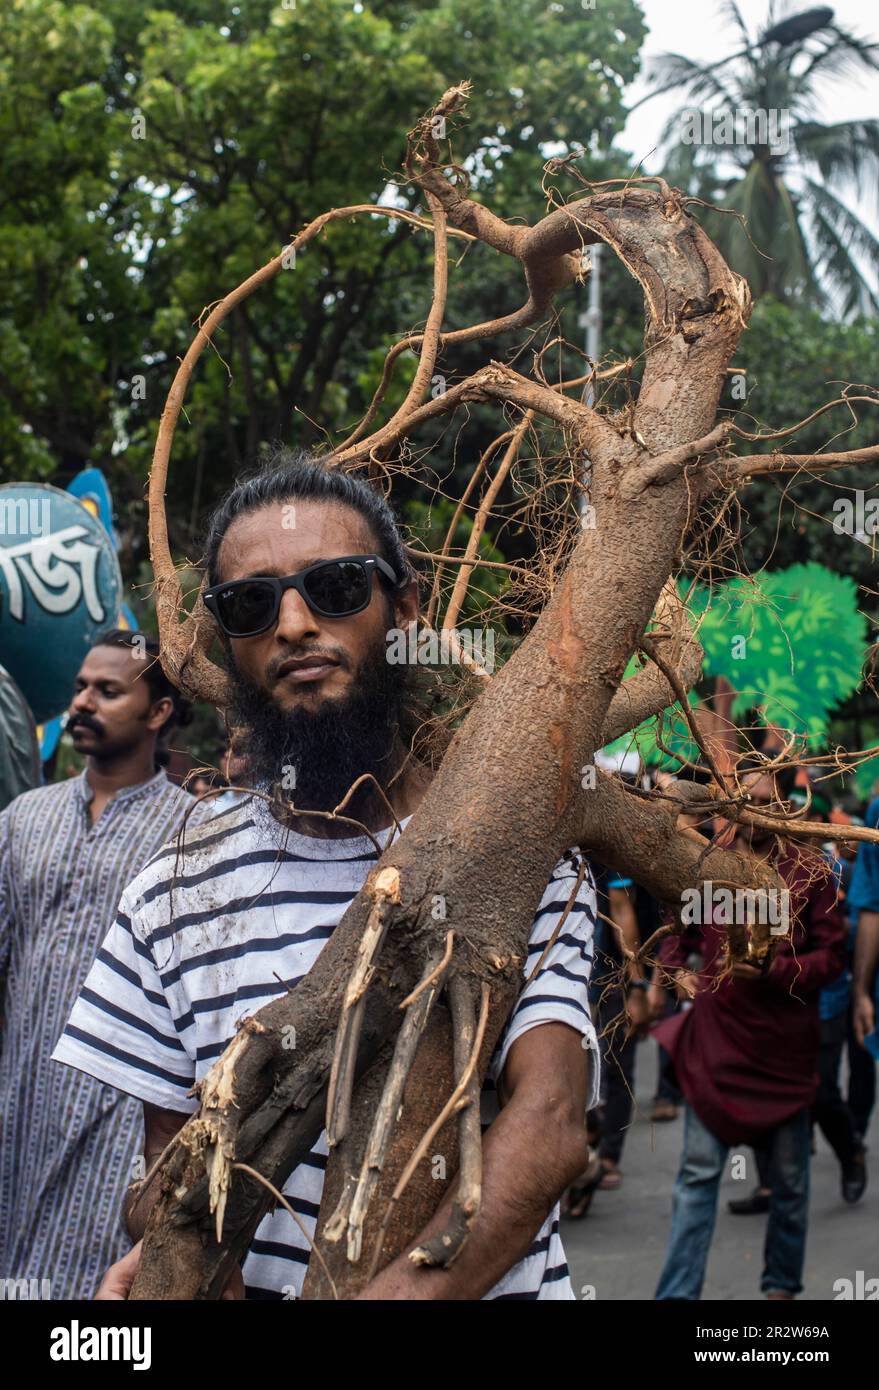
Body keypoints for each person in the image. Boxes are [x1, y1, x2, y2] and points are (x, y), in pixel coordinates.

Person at [53, 449, 601, 1301]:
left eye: (338, 587)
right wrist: (175, 1245)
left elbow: (552, 1124)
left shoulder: (518, 855)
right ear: (226, 644)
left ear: (405, 608)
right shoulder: (171, 890)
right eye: (251, 604)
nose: (297, 623)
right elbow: (165, 1156)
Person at [0, 630, 203, 1299]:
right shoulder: (23, 819)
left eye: (108, 691)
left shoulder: (194, 835)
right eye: (82, 686)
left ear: (158, 713)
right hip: (18, 1101)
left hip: (126, 1117)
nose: (82, 701)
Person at [651, 766, 846, 1301]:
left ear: (784, 806)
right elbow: (676, 922)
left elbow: (832, 955)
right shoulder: (709, 861)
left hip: (783, 1050)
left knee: (789, 1186)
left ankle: (781, 1292)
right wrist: (675, 969)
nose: (753, 811)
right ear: (730, 807)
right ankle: (676, 1296)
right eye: (744, 801)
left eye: (764, 801)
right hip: (716, 1044)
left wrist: (777, 972)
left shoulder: (810, 871)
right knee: (697, 1178)